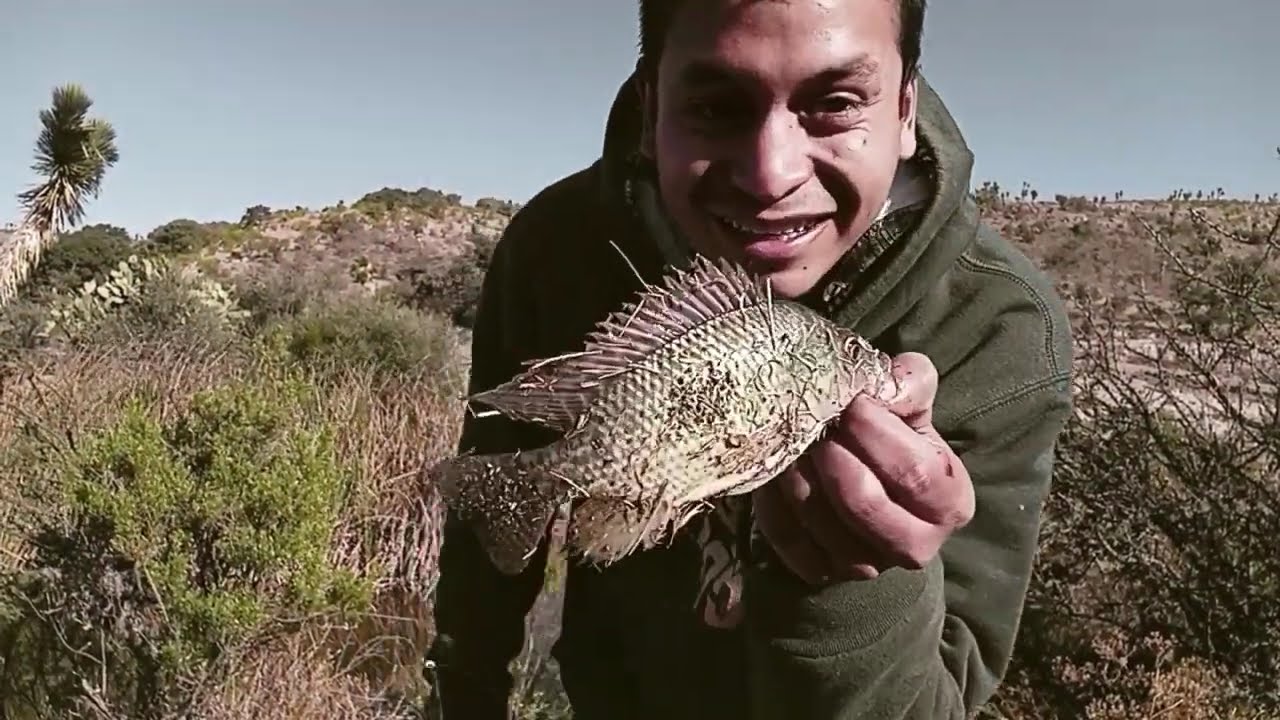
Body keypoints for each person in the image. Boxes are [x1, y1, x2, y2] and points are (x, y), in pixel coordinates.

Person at [429, 0, 1074, 718]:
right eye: (715, 107)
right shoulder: (556, 250)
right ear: (650, 108)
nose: (772, 176)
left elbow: (943, 698)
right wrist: (465, 694)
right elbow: (481, 569)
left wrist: (860, 582)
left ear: (904, 109)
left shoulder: (1000, 326)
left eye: (835, 104)